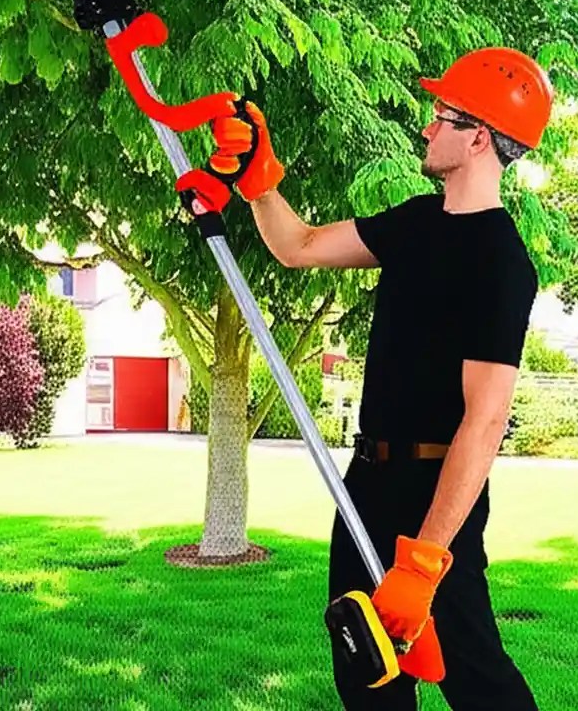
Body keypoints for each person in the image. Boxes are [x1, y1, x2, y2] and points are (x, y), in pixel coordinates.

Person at [206, 47, 553, 710]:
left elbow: (483, 422)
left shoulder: (500, 262)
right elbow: (298, 246)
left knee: (472, 671)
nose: (427, 127)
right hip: (365, 481)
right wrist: (259, 179)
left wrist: (424, 559)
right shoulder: (416, 222)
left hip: (434, 498)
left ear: (477, 137)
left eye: (442, 116)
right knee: (364, 667)